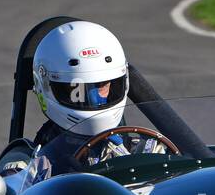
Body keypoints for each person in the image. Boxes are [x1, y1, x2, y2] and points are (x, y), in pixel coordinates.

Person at [23, 21, 140, 181]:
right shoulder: (33, 165)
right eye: (76, 89)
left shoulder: (145, 148)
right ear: (44, 85)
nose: (94, 99)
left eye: (101, 85)